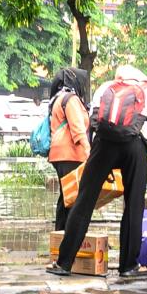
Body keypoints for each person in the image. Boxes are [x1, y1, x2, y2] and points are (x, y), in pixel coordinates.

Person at [47, 64, 147, 279]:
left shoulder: (105, 88)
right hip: (134, 147)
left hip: (103, 145)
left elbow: (92, 124)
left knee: (84, 201)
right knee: (133, 206)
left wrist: (94, 156)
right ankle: (128, 266)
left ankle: (64, 263)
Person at [47, 67, 91, 231]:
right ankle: (72, 238)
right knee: (74, 199)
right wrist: (89, 155)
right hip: (71, 155)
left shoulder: (58, 98)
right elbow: (78, 130)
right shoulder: (71, 100)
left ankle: (60, 237)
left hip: (59, 155)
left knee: (66, 197)